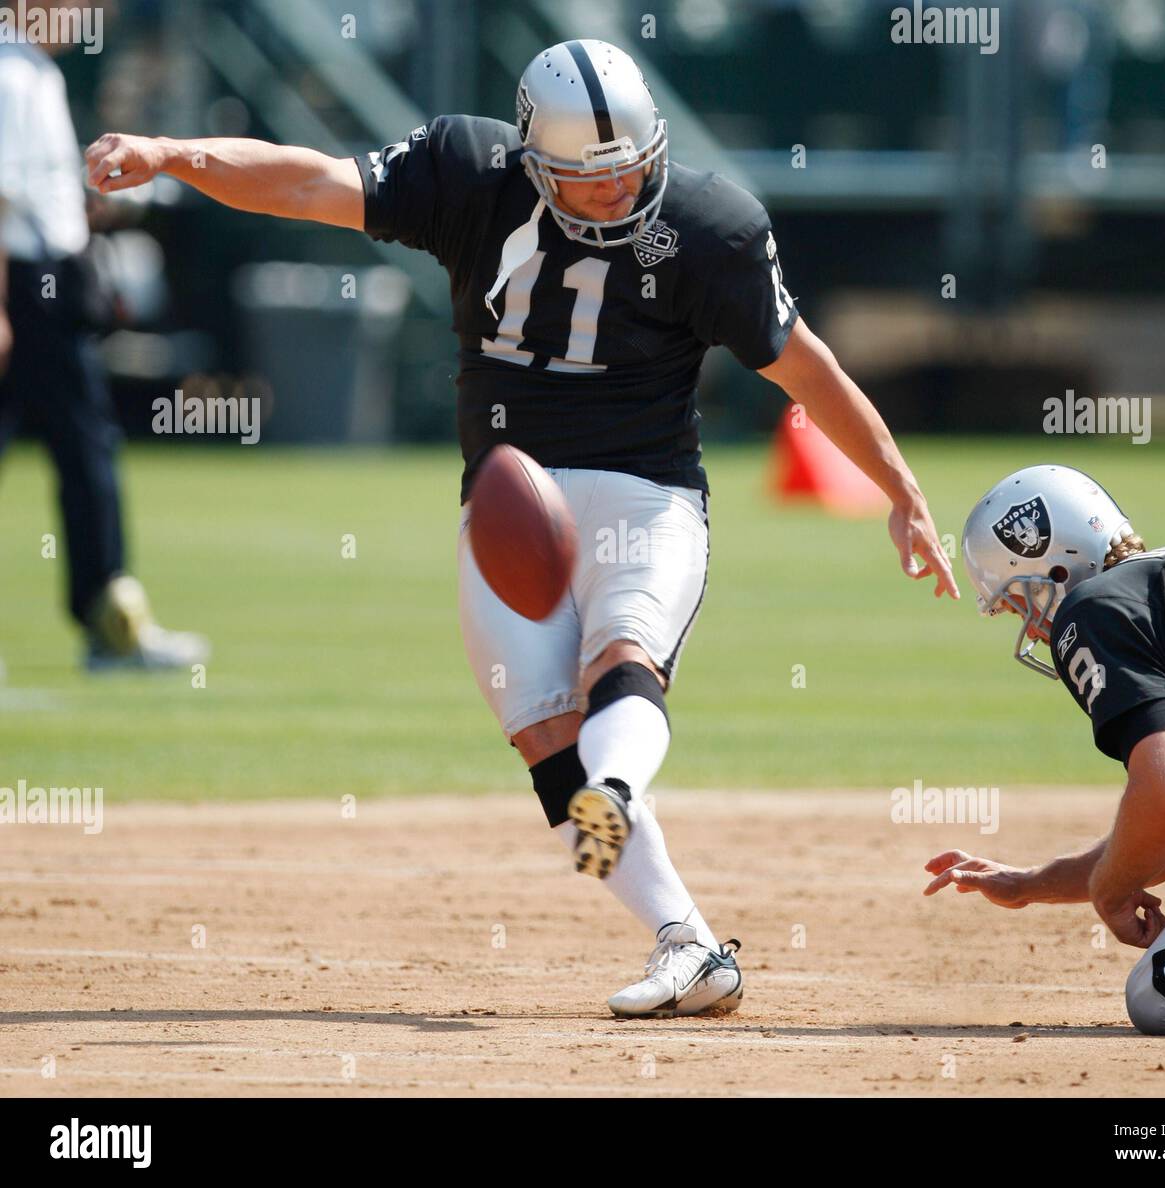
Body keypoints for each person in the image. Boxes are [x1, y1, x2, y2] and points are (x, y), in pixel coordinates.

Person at [87, 39, 957, 1017]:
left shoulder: (707, 224)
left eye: (629, 169)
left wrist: (901, 489)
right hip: (509, 500)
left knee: (622, 659)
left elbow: (807, 370)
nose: (614, 192)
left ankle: (617, 787)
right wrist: (169, 152)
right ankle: (689, 944)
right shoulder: (469, 172)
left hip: (646, 493)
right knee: (546, 731)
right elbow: (305, 186)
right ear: (532, 160)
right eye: (586, 181)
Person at [926, 463, 1165, 1035]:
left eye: (1021, 601)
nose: (1030, 627)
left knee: (1164, 988)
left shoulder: (1095, 607)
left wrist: (1112, 891)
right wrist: (1032, 884)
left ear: (1054, 566)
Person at [0, 22, 208, 671]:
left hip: (49, 275)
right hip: (27, 280)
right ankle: (108, 619)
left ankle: (107, 614)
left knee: (85, 444)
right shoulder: (10, 69)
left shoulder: (35, 67)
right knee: (86, 447)